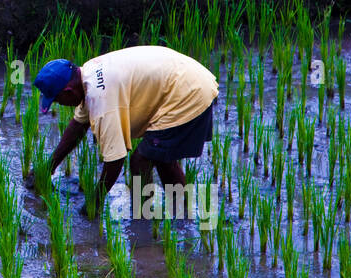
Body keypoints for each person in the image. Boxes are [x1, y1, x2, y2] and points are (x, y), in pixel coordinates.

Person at [26, 46, 218, 217]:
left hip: (188, 92)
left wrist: (94, 203)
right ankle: (182, 211)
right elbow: (77, 126)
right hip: (187, 77)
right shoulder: (88, 74)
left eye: (58, 101)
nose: (60, 105)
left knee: (141, 161)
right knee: (160, 155)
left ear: (69, 91)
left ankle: (144, 217)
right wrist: (49, 167)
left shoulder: (101, 102)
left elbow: (115, 160)